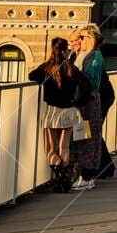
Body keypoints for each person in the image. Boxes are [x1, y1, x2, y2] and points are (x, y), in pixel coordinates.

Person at [30, 38, 86, 192]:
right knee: (64, 147)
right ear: (64, 51)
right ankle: (64, 180)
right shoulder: (71, 68)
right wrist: (77, 100)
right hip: (69, 111)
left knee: (50, 150)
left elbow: (31, 76)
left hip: (52, 112)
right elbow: (85, 85)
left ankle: (59, 177)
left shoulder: (46, 68)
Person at [70, 25, 107, 191]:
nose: (80, 40)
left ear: (91, 39)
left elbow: (89, 80)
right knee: (83, 136)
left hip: (88, 102)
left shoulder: (95, 57)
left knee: (88, 137)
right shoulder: (87, 55)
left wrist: (72, 72)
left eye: (83, 37)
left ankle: (87, 176)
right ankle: (85, 174)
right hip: (85, 102)